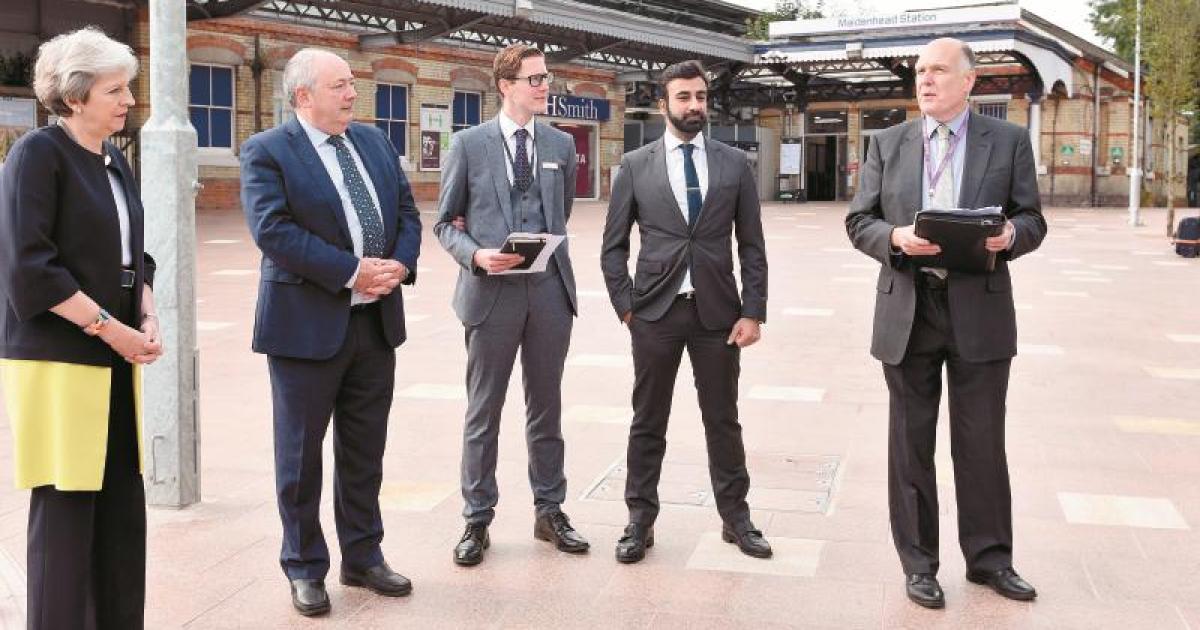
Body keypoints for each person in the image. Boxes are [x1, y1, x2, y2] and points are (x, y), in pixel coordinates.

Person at [845, 38, 1047, 609]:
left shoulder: (1007, 141)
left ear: (968, 81)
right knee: (910, 445)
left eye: (938, 70)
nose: (925, 80)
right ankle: (919, 566)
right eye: (919, 71)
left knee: (981, 442)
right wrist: (895, 238)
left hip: (979, 308)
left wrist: (1011, 236)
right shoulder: (888, 142)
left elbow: (1032, 218)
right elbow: (859, 221)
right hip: (909, 308)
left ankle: (990, 560)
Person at [240, 47, 422, 616]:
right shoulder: (268, 151)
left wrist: (399, 264)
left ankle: (363, 557)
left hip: (375, 324)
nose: (352, 93)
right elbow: (274, 231)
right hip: (305, 329)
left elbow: (407, 212)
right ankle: (303, 566)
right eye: (339, 85)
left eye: (351, 83)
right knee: (300, 458)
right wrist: (351, 271)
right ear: (303, 96)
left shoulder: (373, 142)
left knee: (364, 452)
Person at [0, 26, 163, 629]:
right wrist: (113, 329)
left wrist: (146, 312)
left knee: (121, 506)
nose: (129, 100)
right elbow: (29, 267)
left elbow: (135, 256)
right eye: (115, 90)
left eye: (128, 88)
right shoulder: (37, 155)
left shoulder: (114, 159)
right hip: (61, 355)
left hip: (115, 351)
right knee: (66, 512)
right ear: (74, 96)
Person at [600, 60, 771, 564]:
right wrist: (627, 308)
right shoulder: (636, 165)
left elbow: (752, 245)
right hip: (655, 313)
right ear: (663, 105)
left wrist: (753, 311)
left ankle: (736, 518)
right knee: (648, 420)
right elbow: (613, 247)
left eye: (700, 96)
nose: (694, 105)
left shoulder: (733, 164)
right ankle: (639, 521)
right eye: (683, 97)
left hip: (718, 315)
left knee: (723, 420)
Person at [434, 43, 589, 566]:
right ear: (505, 85)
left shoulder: (560, 144)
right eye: (535, 79)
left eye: (547, 78)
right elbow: (444, 223)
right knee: (484, 410)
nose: (545, 87)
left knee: (547, 408)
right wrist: (476, 255)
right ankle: (477, 519)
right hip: (490, 294)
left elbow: (561, 211)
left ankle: (550, 511)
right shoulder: (468, 145)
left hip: (548, 293)